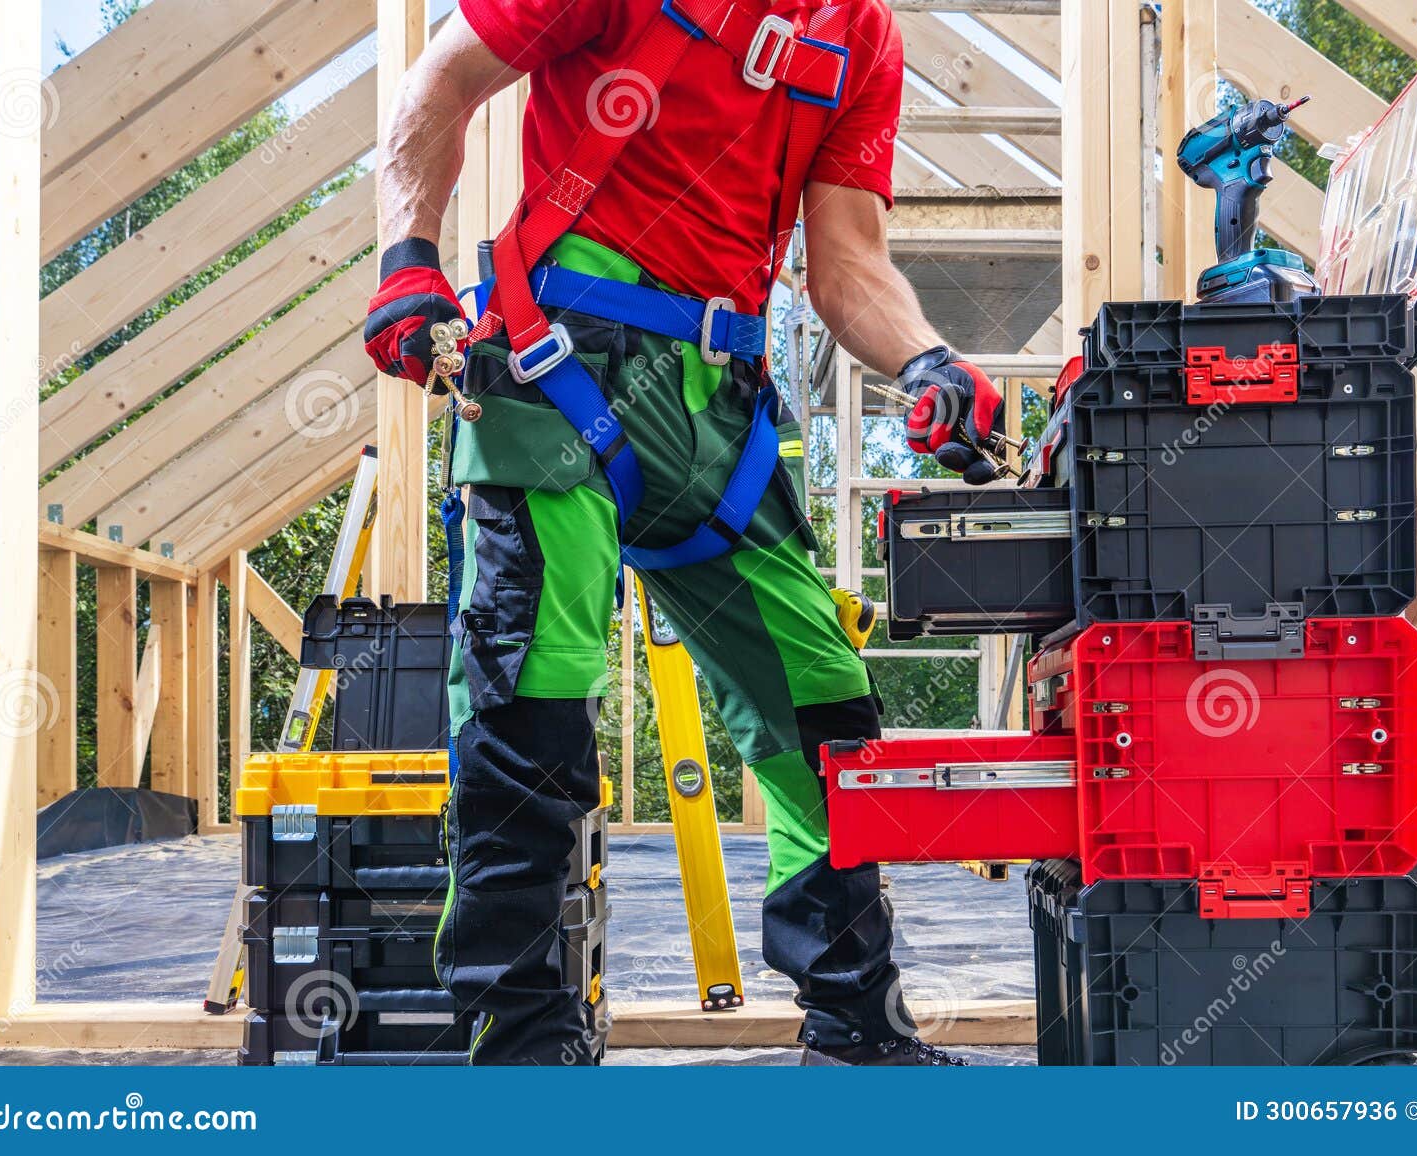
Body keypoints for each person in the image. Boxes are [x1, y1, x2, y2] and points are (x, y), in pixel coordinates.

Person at [364, 0, 1004, 1066]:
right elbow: (439, 83)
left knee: (825, 712)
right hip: (559, 368)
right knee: (531, 706)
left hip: (721, 406)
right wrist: (405, 260)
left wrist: (927, 360)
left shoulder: (861, 37)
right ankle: (523, 1062)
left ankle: (857, 1033)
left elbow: (845, 263)